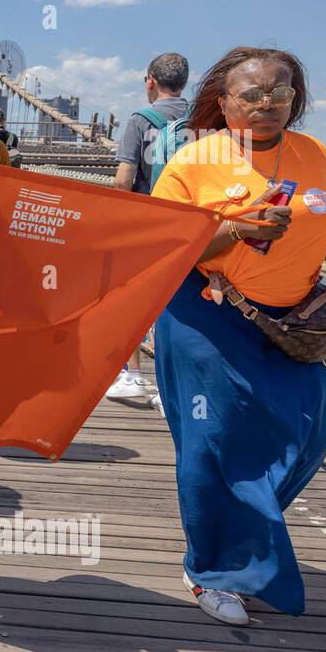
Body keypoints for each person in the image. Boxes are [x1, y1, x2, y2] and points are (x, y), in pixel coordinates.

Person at [152, 46, 326, 625]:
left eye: (280, 93)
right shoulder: (194, 161)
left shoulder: (314, 156)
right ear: (224, 102)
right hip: (208, 314)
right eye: (251, 95)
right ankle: (210, 569)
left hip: (293, 320)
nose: (267, 104)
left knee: (311, 436)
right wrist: (236, 231)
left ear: (295, 99)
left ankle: (240, 538)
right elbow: (166, 249)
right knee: (217, 444)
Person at [107, 52, 191, 403]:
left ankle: (135, 376)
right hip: (193, 228)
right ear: (184, 82)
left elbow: (123, 180)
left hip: (148, 223)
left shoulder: (141, 120)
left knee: (135, 299)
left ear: (150, 82)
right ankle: (177, 385)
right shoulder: (203, 120)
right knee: (182, 304)